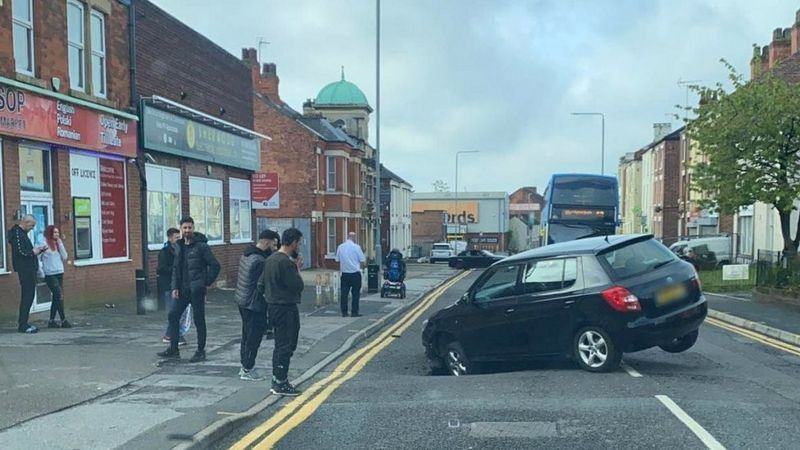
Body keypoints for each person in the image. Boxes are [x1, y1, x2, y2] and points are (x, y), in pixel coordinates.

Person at [157, 217, 221, 362]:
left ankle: (200, 351)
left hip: (197, 290)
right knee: (173, 315)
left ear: (193, 228)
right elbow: (176, 269)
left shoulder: (202, 246)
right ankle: (174, 349)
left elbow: (215, 265)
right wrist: (174, 287)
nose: (187, 230)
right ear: (181, 228)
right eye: (185, 228)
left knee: (199, 320)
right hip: (182, 289)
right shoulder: (179, 246)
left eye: (190, 228)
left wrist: (205, 282)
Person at [261, 227, 304, 396]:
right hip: (286, 307)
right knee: (286, 345)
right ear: (293, 243)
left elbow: (260, 284)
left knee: (279, 345)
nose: (299, 246)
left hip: (273, 307)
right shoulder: (285, 263)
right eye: (298, 243)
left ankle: (277, 379)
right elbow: (298, 286)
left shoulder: (270, 259)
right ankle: (281, 382)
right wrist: (297, 269)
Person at [235, 229, 280, 381]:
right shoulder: (259, 261)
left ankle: (245, 366)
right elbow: (264, 284)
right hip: (254, 304)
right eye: (273, 245)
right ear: (266, 242)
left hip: (243, 300)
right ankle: (247, 368)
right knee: (253, 337)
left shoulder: (247, 254)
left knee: (246, 335)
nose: (275, 248)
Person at [8, 215, 46, 334]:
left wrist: (37, 251)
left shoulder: (21, 234)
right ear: (25, 222)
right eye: (32, 225)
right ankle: (23, 325)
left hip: (29, 269)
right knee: (27, 296)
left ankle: (24, 322)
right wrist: (33, 252)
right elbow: (20, 252)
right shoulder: (17, 234)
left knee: (29, 296)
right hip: (25, 270)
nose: (32, 228)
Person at [157, 228, 190, 346]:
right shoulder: (165, 252)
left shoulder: (179, 250)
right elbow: (161, 269)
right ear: (170, 238)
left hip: (178, 286)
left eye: (179, 237)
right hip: (169, 287)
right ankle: (171, 335)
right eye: (176, 237)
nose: (178, 239)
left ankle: (172, 334)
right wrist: (175, 270)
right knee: (174, 312)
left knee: (178, 312)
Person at [39, 226, 71, 329]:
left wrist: (60, 243)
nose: (57, 234)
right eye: (55, 232)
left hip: (59, 272)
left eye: (58, 232)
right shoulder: (43, 244)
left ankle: (51, 321)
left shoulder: (57, 244)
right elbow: (37, 259)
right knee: (59, 295)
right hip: (50, 274)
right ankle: (63, 320)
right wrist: (41, 272)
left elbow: (65, 257)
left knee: (56, 297)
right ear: (49, 233)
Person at [335, 232, 366, 317]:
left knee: (344, 294)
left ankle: (344, 312)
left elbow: (337, 260)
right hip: (355, 273)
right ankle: (354, 312)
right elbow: (362, 260)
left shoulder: (340, 247)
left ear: (348, 237)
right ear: (354, 237)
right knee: (355, 294)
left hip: (345, 274)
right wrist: (361, 269)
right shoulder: (357, 247)